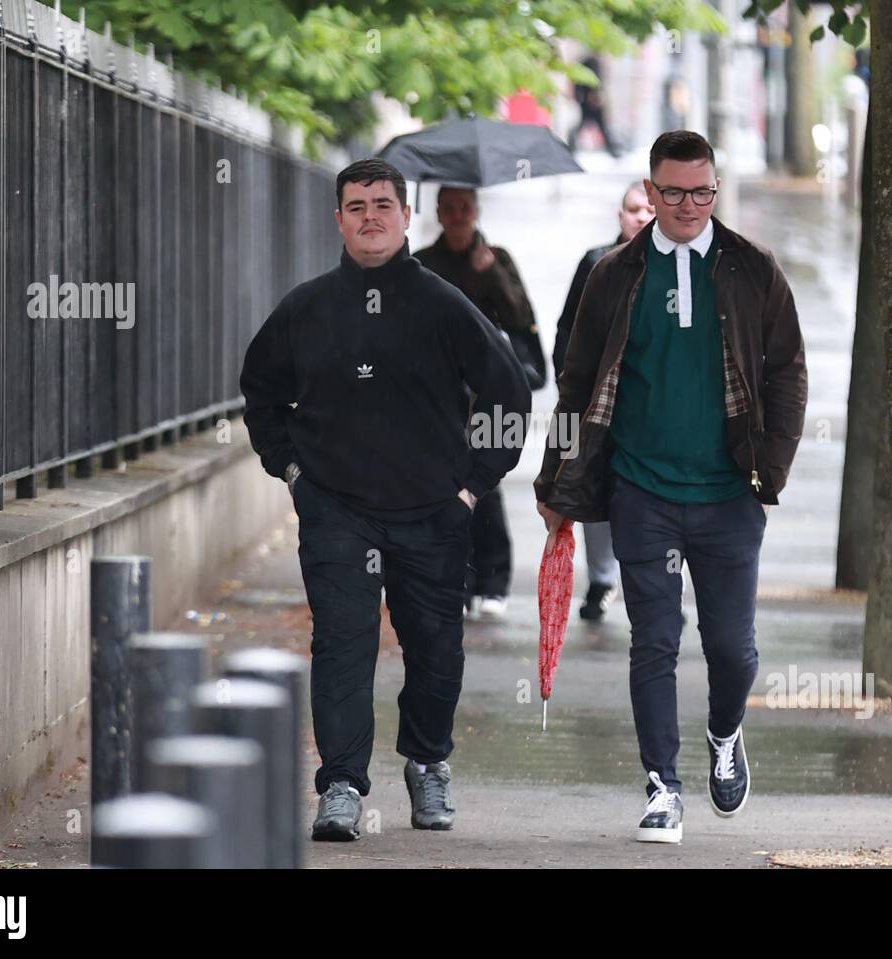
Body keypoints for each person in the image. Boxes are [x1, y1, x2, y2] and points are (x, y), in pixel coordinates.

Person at [240, 158, 531, 842]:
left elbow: (508, 395)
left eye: (382, 204)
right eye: (356, 205)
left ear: (406, 216)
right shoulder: (307, 308)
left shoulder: (443, 305)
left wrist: (470, 485)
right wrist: (291, 472)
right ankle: (340, 784)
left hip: (432, 510)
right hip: (336, 507)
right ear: (337, 219)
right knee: (343, 643)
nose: (370, 216)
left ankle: (428, 762)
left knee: (435, 648)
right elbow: (260, 391)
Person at [534, 131, 807, 843]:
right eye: (675, 191)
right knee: (653, 639)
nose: (690, 205)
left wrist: (770, 467)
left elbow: (787, 371)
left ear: (717, 189)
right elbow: (577, 382)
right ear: (650, 193)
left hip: (727, 494)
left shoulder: (751, 269)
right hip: (641, 490)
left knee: (732, 649)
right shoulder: (615, 275)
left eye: (703, 191)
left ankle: (724, 733)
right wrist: (552, 477)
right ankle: (662, 786)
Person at [415, 186, 542, 621]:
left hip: (490, 392)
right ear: (438, 213)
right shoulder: (423, 262)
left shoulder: (496, 259)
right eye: (449, 208)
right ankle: (459, 583)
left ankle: (493, 582)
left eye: (465, 208)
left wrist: (492, 275)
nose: (457, 215)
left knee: (486, 484)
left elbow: (522, 318)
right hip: (440, 393)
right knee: (445, 485)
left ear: (476, 211)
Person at [553, 181, 654, 622]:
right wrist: (571, 385)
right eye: (634, 210)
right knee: (596, 488)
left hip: (651, 406)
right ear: (620, 215)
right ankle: (601, 579)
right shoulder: (597, 264)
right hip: (599, 401)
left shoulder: (679, 267)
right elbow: (567, 329)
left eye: (649, 210)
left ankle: (651, 581)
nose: (641, 218)